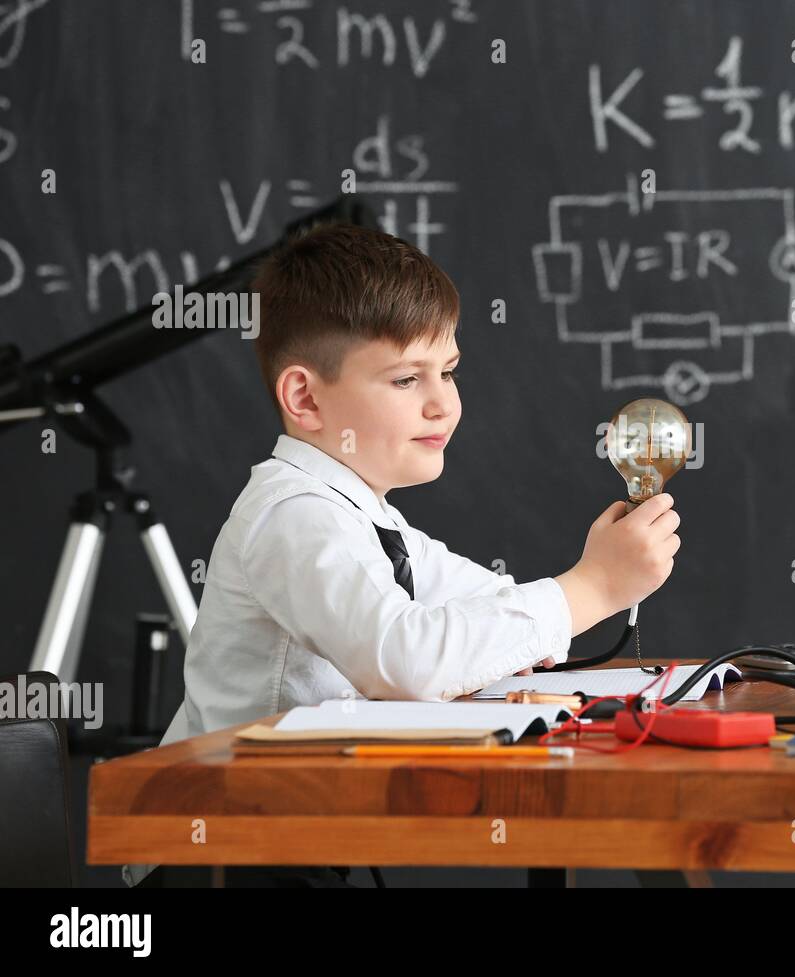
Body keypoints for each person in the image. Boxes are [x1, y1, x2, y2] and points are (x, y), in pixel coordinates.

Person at [125, 223, 680, 887]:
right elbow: (406, 659)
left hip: (277, 842)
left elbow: (484, 609)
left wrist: (585, 589)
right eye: (405, 378)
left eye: (447, 369)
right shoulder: (292, 515)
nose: (442, 400)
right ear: (305, 398)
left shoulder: (369, 517)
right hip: (215, 860)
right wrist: (590, 589)